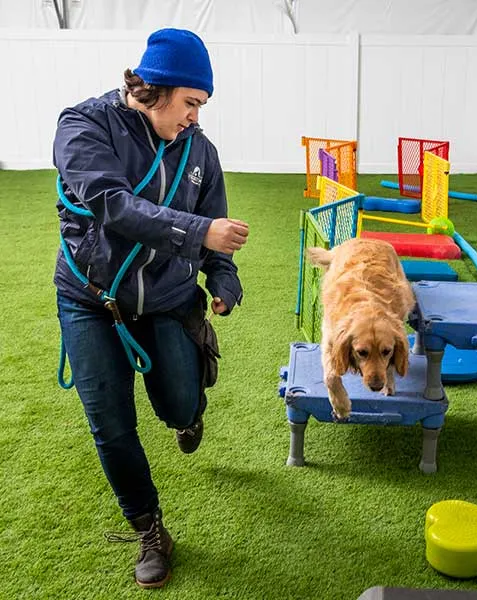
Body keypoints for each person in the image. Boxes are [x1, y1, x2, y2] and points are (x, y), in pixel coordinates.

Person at [53, 28, 248, 588]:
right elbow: (112, 203)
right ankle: (149, 529)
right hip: (90, 299)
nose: (194, 118)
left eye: (201, 107)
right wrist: (201, 234)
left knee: (180, 405)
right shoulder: (83, 125)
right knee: (110, 424)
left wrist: (225, 281)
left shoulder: (200, 152)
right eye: (191, 103)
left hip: (167, 299)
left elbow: (218, 231)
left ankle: (189, 413)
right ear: (155, 88)